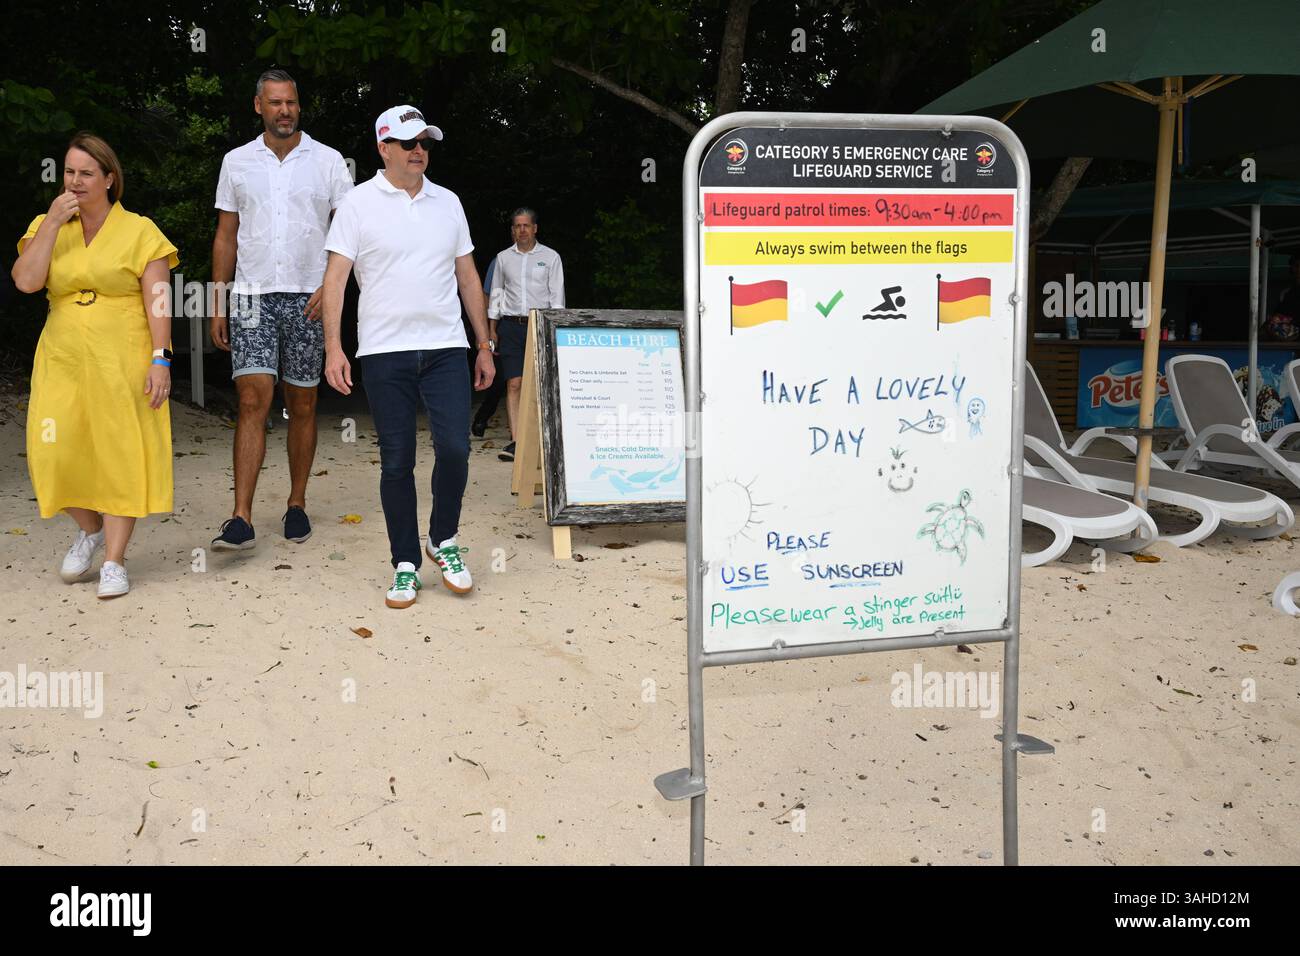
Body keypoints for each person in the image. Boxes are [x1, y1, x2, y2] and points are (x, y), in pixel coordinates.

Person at [321, 105, 495, 609]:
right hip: (383, 351)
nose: (419, 150)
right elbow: (335, 280)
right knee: (396, 460)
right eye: (408, 142)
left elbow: (467, 276)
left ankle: (443, 540)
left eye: (425, 142)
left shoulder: (449, 202)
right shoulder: (357, 204)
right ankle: (404, 563)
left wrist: (483, 344)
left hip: (446, 347)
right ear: (383, 148)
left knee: (456, 450)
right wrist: (334, 348)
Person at [12, 133, 178, 598]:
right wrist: (50, 225)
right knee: (54, 446)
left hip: (123, 350)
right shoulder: (47, 224)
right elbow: (26, 282)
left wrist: (160, 358)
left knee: (119, 450)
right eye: (69, 172)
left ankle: (114, 560)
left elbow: (160, 299)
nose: (76, 181)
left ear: (109, 178)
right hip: (62, 352)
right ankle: (90, 529)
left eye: (87, 173)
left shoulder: (140, 231)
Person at [209, 68, 354, 551]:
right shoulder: (236, 162)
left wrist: (331, 287)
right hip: (250, 297)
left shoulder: (330, 161)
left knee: (303, 404)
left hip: (309, 298)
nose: (285, 110)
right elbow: (226, 236)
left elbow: (350, 233)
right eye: (275, 103)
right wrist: (217, 301)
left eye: (291, 102)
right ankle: (241, 517)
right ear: (258, 106)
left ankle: (296, 504)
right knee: (252, 400)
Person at [487, 208, 565, 461]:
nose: (522, 230)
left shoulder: (551, 257)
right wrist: (491, 330)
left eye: (526, 226)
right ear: (512, 230)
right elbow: (496, 294)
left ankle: (543, 440)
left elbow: (557, 298)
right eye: (517, 226)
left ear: (535, 228)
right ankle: (517, 443)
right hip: (510, 326)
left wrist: (555, 330)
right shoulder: (502, 258)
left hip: (539, 324)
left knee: (541, 384)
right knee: (514, 383)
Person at [470, 255, 502, 437]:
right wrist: (488, 330)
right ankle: (482, 417)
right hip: (503, 323)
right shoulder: (499, 261)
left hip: (532, 322)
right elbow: (488, 295)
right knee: (502, 378)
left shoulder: (545, 257)